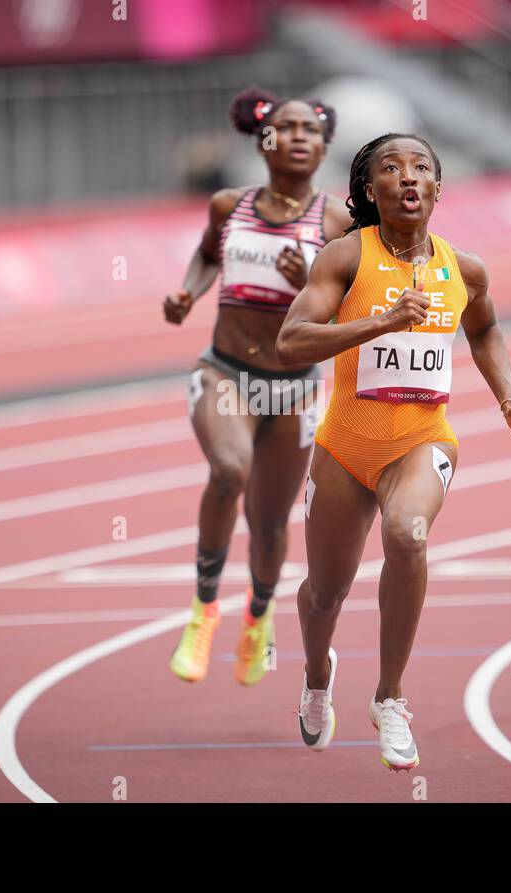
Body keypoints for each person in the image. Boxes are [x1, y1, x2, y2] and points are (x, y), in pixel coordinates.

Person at [276, 133, 511, 770]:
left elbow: (487, 329)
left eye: (421, 167)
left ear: (439, 187)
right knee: (324, 594)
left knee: (408, 535)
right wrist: (381, 322)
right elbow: (291, 342)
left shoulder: (465, 269)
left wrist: (508, 397)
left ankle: (390, 698)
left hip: (421, 442)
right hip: (343, 447)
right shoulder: (346, 257)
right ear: (372, 191)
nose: (408, 178)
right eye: (390, 169)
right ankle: (317, 676)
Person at [163, 87, 352, 685]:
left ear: (324, 148)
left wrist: (309, 288)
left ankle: (260, 616)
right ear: (263, 138)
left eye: (310, 131)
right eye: (286, 127)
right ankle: (202, 612)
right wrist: (186, 293)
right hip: (224, 372)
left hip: (293, 388)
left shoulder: (339, 223)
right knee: (229, 470)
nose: (298, 137)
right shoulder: (228, 206)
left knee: (270, 524)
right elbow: (203, 257)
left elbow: (349, 314)